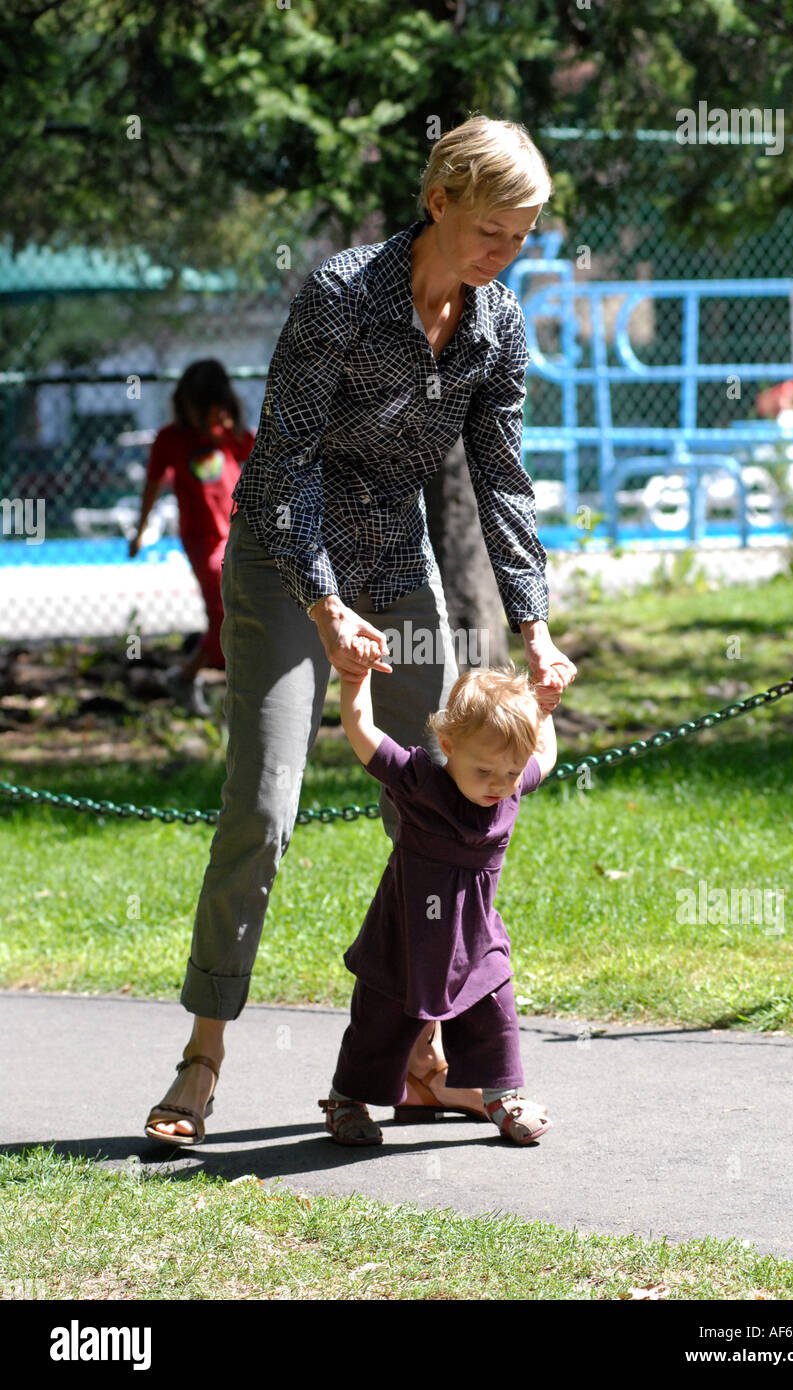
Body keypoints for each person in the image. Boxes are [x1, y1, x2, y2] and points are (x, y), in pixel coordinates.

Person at [144, 114, 577, 1148]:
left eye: (521, 238)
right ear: (439, 202)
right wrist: (325, 601)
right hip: (284, 561)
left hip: (396, 556)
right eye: (491, 233)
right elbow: (283, 458)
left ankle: (429, 1059)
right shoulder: (344, 293)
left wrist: (535, 624)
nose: (504, 256)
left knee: (449, 805)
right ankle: (202, 1058)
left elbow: (502, 479)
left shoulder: (496, 324)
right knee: (264, 806)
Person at [319, 659, 558, 1146]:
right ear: (448, 746)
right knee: (380, 1021)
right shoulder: (419, 782)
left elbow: (546, 753)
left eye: (511, 771)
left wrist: (545, 702)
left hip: (474, 937)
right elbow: (361, 730)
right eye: (485, 769)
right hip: (403, 934)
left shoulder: (511, 788)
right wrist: (355, 679)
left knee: (495, 1010)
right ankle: (347, 1099)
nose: (499, 783)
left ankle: (502, 1094)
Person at [129, 360, 255, 715]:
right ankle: (239, 693)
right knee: (225, 615)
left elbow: (263, 461)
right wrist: (140, 531)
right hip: (202, 541)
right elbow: (152, 486)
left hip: (237, 535)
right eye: (197, 408)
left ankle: (186, 676)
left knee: (239, 612)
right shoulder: (171, 439)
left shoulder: (229, 434)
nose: (204, 417)